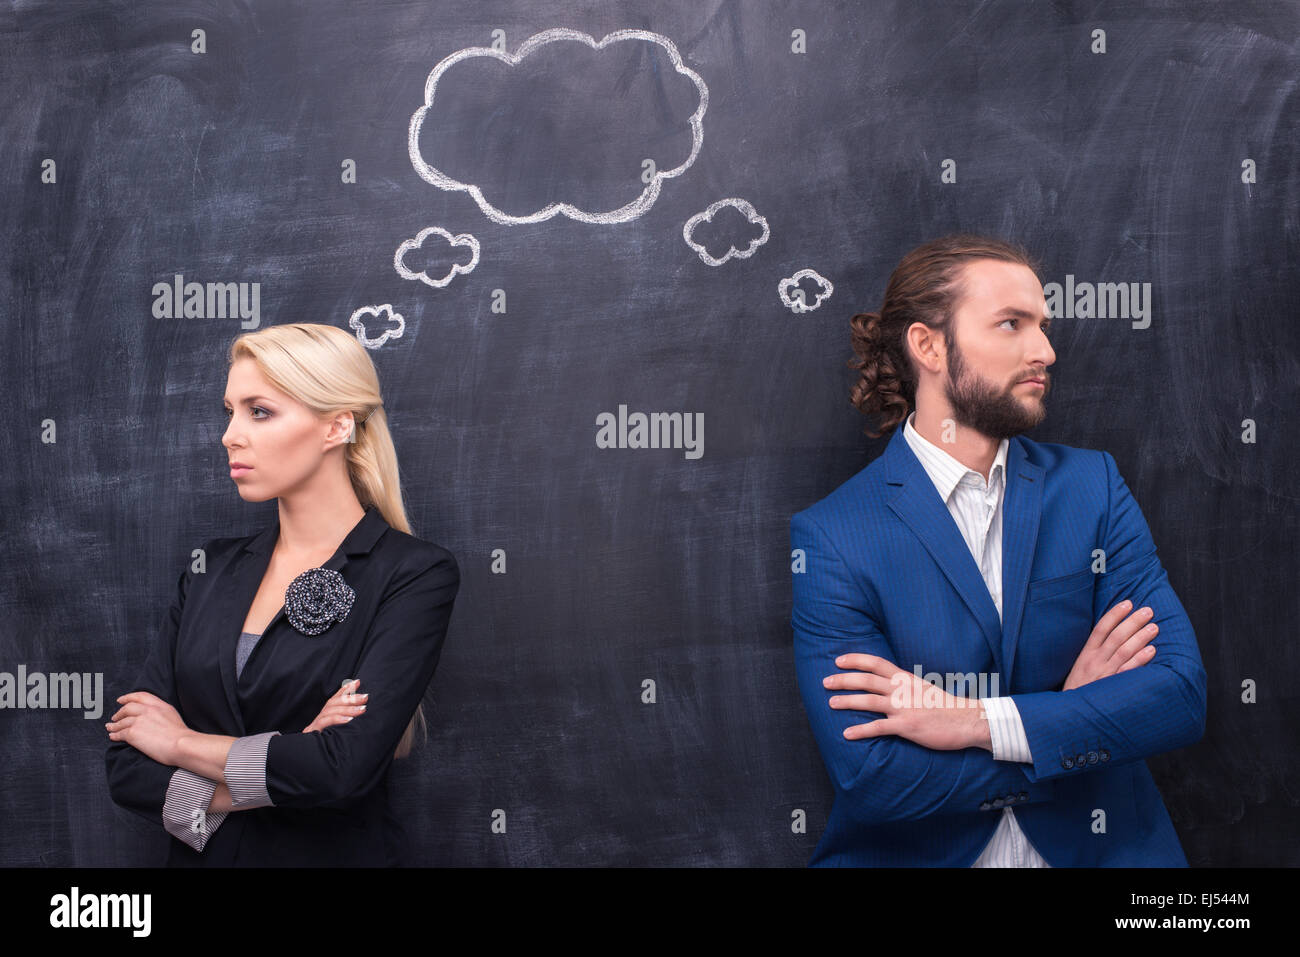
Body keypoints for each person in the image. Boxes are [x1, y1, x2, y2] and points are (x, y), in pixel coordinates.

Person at [790, 234, 1206, 866]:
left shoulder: (1093, 488)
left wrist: (976, 722)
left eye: (1041, 325)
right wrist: (1067, 721)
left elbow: (1177, 698)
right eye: (1011, 324)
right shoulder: (834, 537)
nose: (1045, 350)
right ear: (928, 346)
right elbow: (875, 779)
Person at [105, 323, 460, 866]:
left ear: (337, 426)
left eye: (259, 411)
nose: (230, 434)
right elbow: (129, 769)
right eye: (230, 411)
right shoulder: (210, 570)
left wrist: (178, 744)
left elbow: (341, 771)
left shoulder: (412, 574)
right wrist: (288, 758)